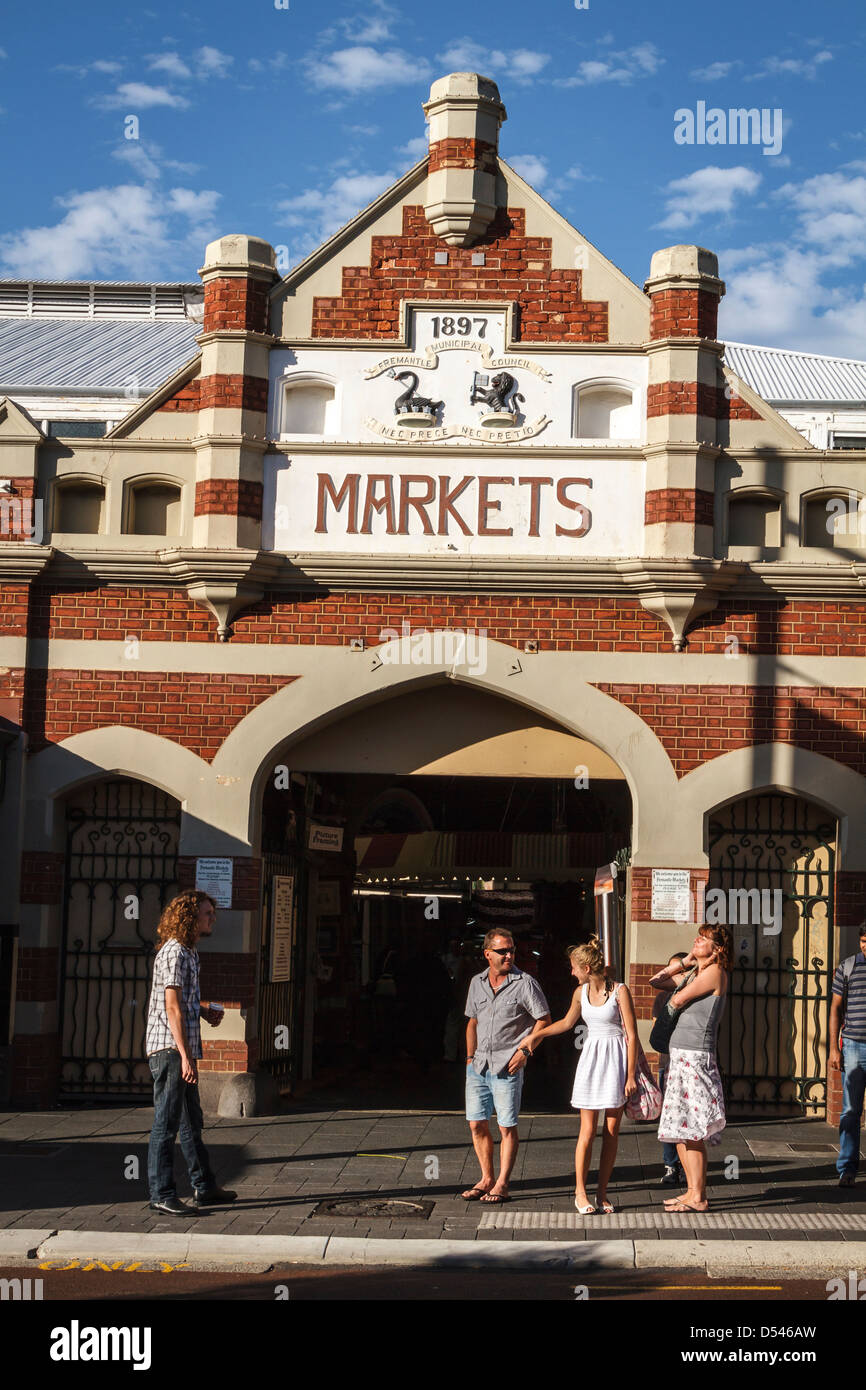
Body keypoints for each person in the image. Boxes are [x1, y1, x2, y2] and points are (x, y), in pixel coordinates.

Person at [522, 939, 637, 1214]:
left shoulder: (621, 991)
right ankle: (580, 1192)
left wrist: (630, 1075)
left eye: (574, 968)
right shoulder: (579, 993)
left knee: (611, 1131)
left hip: (617, 1060)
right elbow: (566, 1023)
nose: (572, 973)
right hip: (592, 1060)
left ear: (586, 967)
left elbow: (632, 1035)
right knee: (587, 1130)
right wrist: (536, 1034)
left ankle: (602, 1193)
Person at [145, 890, 237, 1216]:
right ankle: (161, 1193)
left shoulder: (189, 953)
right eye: (207, 913)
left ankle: (204, 1186)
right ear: (190, 917)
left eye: (212, 913)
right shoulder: (174, 953)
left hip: (180, 1049)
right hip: (170, 1049)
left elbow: (182, 1003)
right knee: (166, 1124)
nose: (212, 918)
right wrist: (184, 1056)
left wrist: (202, 1011)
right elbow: (171, 1008)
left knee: (190, 1123)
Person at [461, 929, 551, 1205]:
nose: (509, 955)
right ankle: (486, 1177)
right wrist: (468, 1058)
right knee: (476, 1123)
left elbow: (544, 1020)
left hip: (507, 1067)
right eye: (503, 951)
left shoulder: (525, 983)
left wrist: (526, 1050)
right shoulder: (476, 982)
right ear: (487, 953)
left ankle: (502, 1183)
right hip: (478, 1065)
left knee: (506, 1126)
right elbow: (472, 1021)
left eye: (511, 950)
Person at [650, 924, 732, 1214]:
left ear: (717, 949)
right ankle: (691, 1192)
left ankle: (698, 1195)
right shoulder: (696, 972)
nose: (696, 940)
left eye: (704, 938)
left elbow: (677, 999)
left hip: (695, 1058)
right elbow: (656, 981)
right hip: (682, 1056)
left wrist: (687, 971)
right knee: (681, 1129)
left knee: (693, 1129)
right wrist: (684, 962)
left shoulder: (713, 973)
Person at [829, 923, 866, 1188]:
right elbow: (835, 1009)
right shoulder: (848, 966)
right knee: (851, 1109)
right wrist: (833, 1048)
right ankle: (847, 1168)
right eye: (863, 941)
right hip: (853, 1045)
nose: (865, 945)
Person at [653, 951, 690, 1187]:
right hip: (668, 1063)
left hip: (687, 1062)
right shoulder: (663, 997)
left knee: (688, 1117)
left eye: (679, 970)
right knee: (668, 1117)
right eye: (671, 970)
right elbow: (658, 1030)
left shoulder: (694, 994)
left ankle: (688, 1166)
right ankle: (671, 1164)